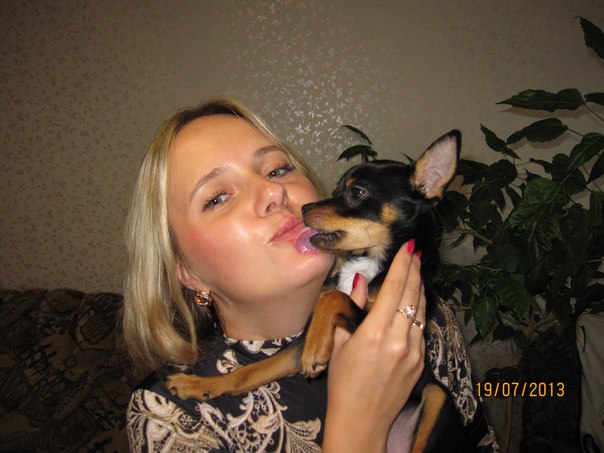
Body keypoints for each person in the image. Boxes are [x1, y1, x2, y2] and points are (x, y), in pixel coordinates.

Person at [123, 98, 497, 452]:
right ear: (187, 271)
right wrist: (357, 430)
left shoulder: (423, 319)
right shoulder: (169, 414)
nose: (273, 191)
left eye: (277, 169)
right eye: (217, 197)